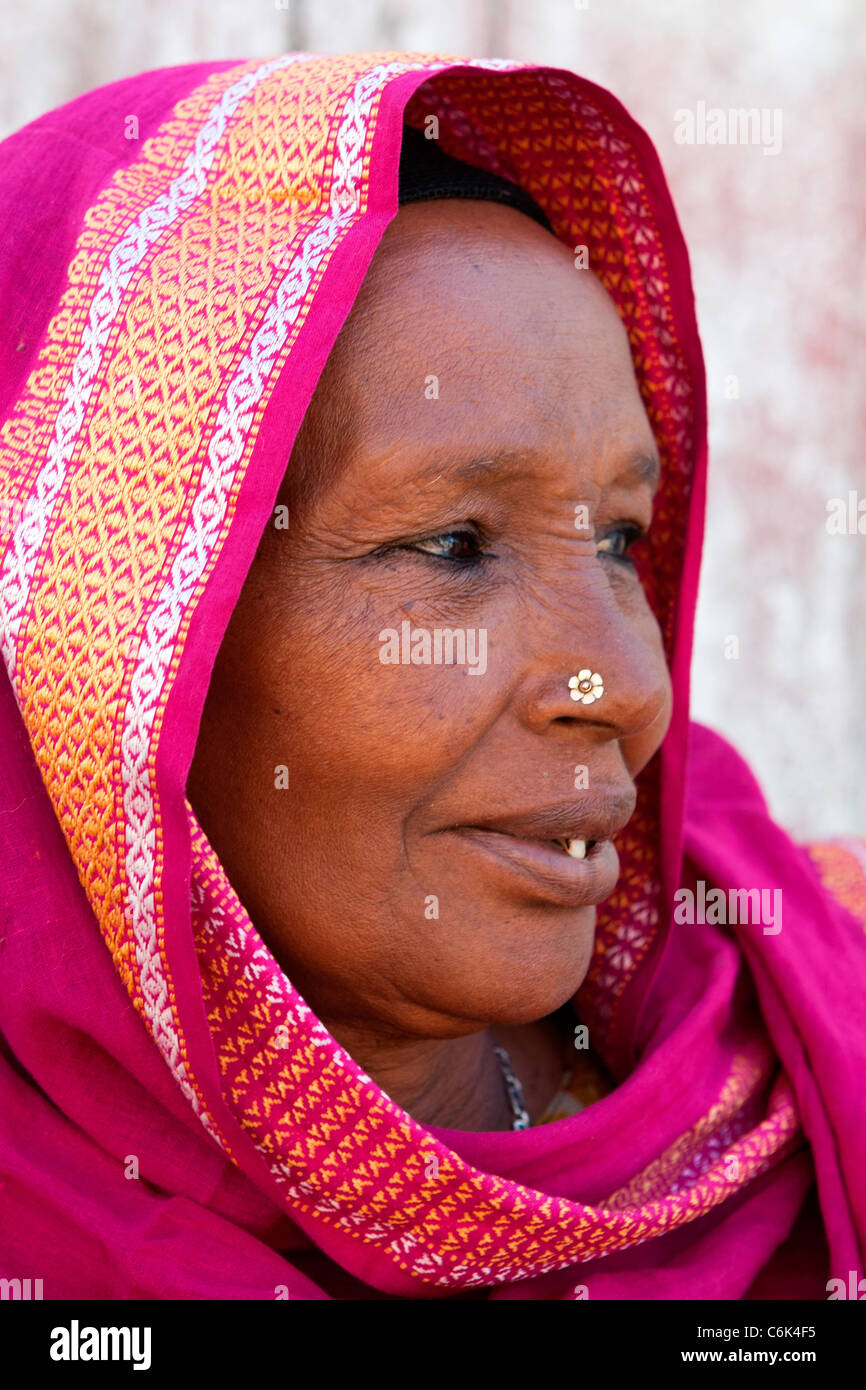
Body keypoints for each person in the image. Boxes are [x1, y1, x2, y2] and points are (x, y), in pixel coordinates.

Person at [0, 50, 863, 1301]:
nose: (624, 689)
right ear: (106, 638)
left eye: (619, 540)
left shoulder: (788, 1028)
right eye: (452, 546)